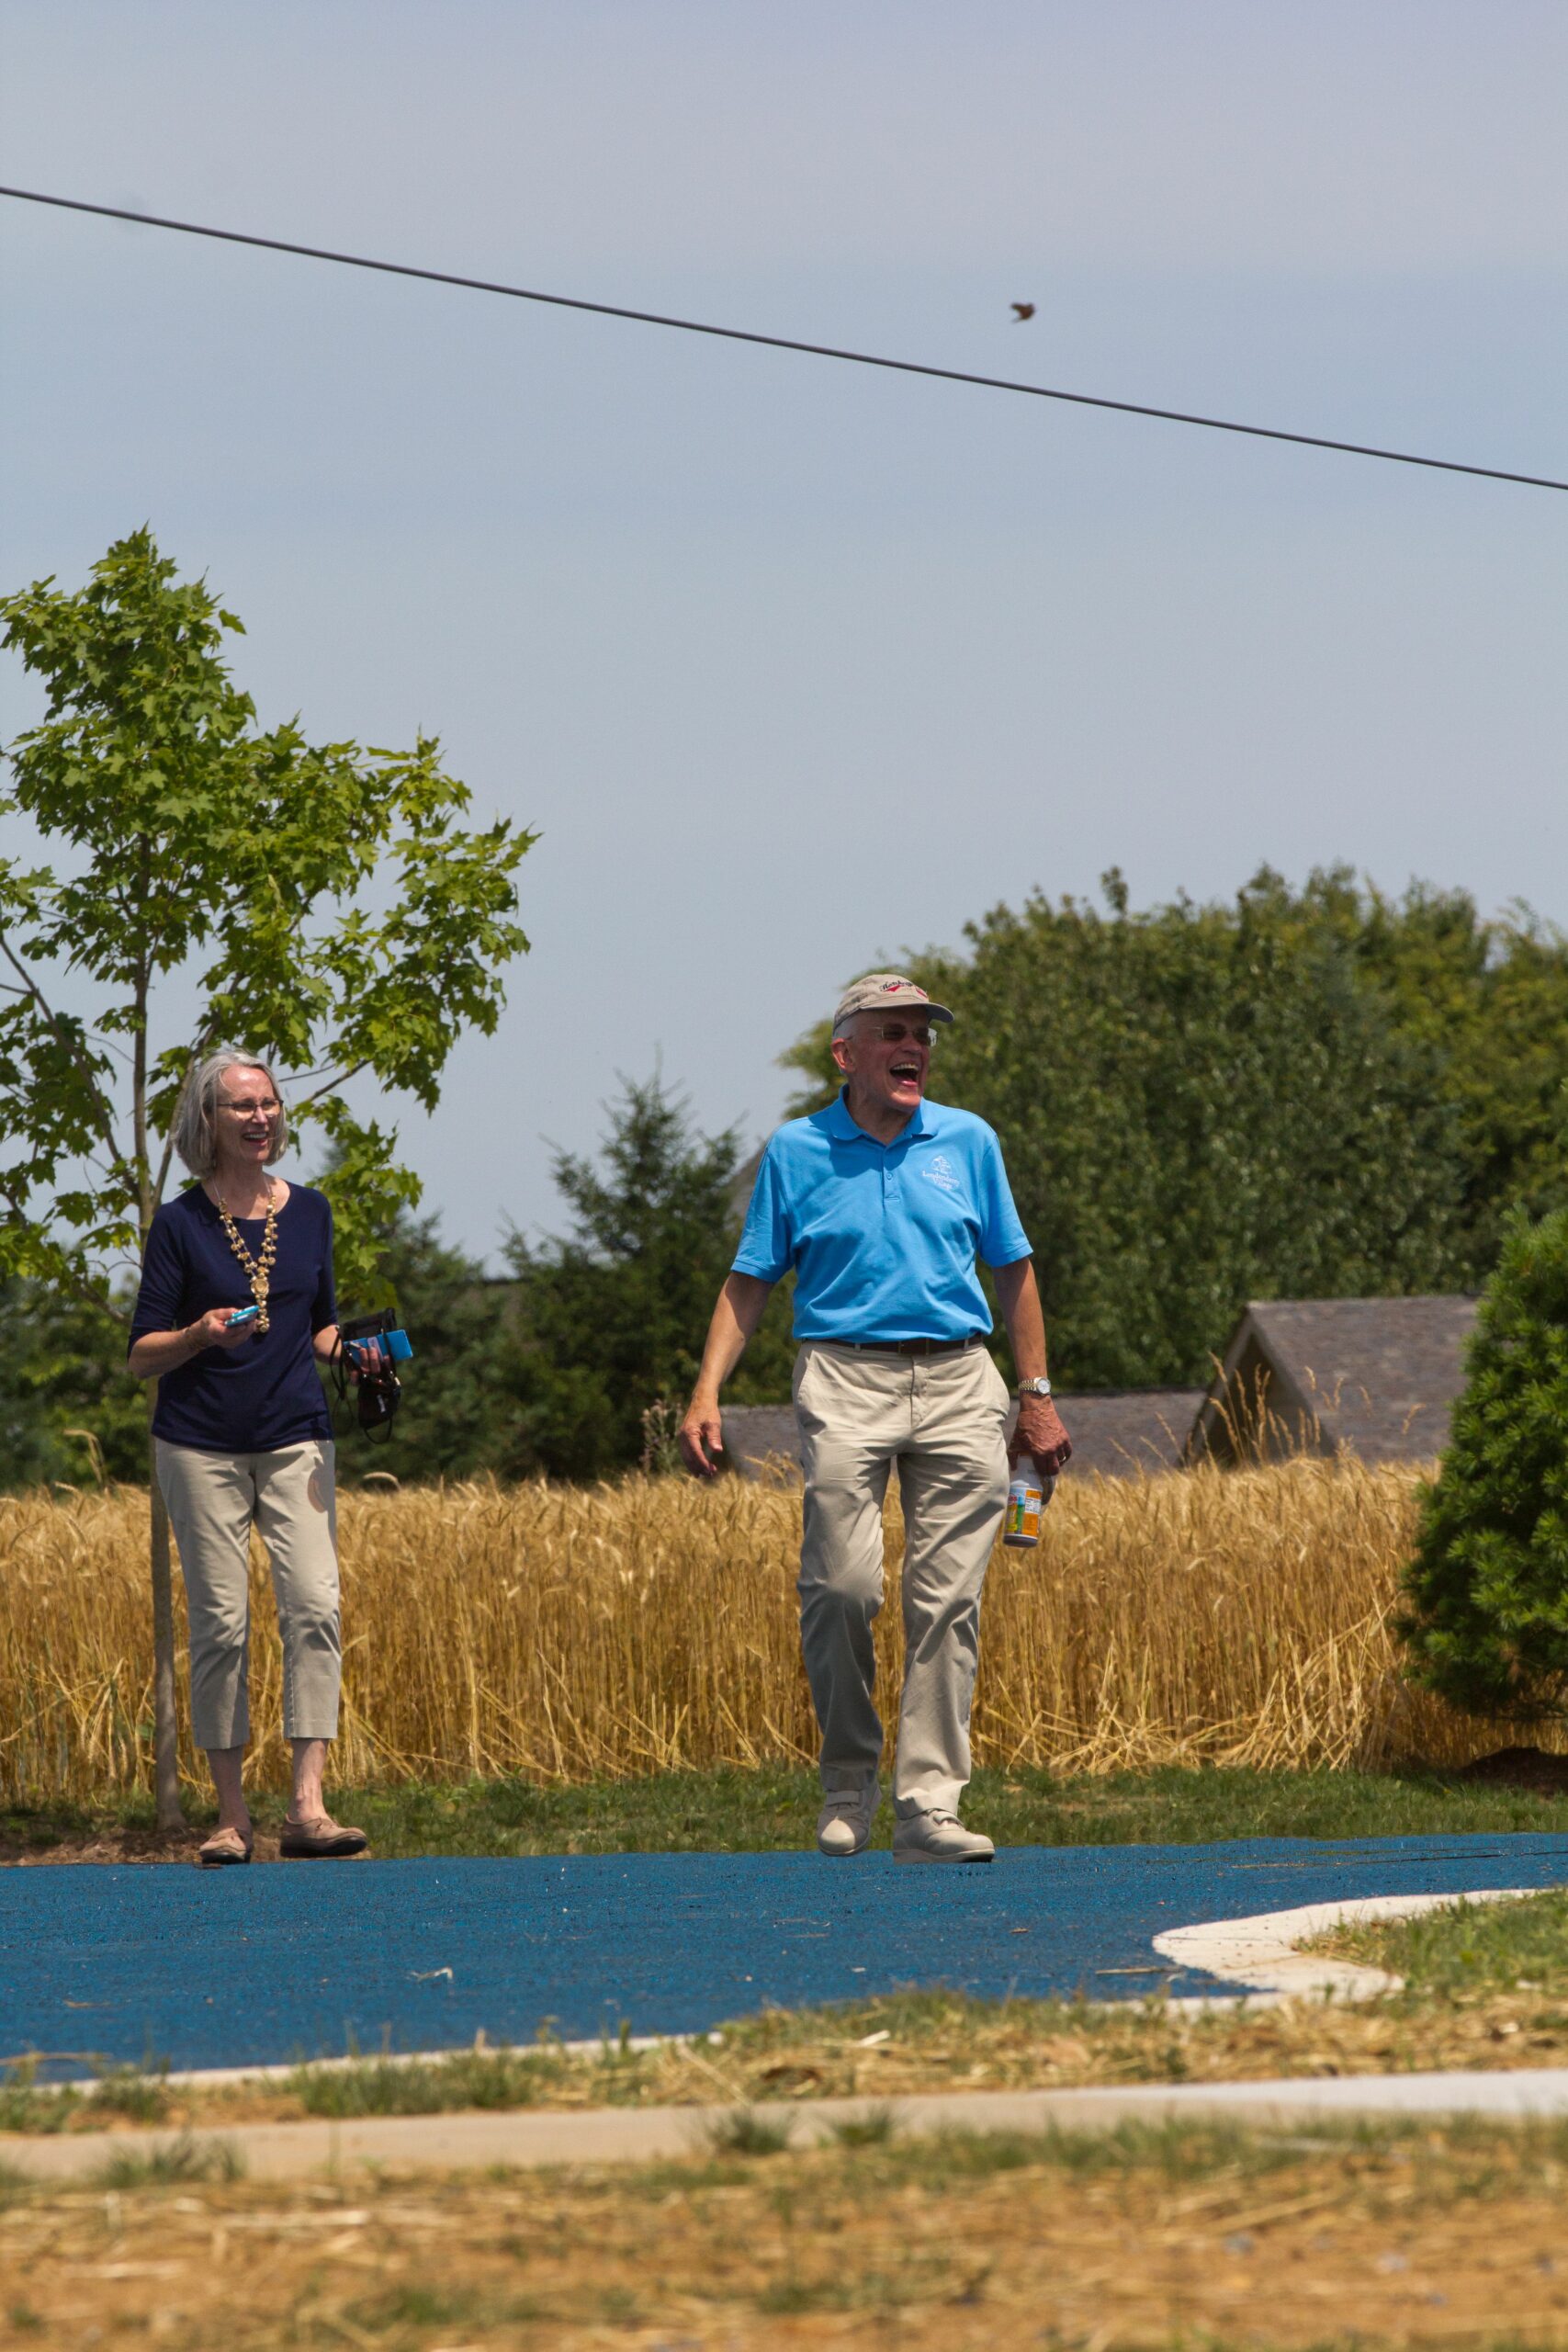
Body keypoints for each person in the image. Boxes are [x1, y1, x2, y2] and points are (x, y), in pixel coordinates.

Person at [680, 974, 1072, 1864]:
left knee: (947, 1603)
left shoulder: (969, 1140)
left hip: (960, 1379)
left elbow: (1013, 1270)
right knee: (843, 1587)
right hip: (843, 1377)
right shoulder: (796, 1150)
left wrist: (1035, 1395)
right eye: (894, 1032)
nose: (914, 1048)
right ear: (844, 1052)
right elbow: (749, 1282)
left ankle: (928, 1807)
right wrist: (705, 1393)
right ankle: (848, 1778)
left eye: (924, 1035)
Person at [129, 1048, 368, 1866]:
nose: (260, 1117)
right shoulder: (179, 1223)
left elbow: (320, 1324)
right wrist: (198, 1333)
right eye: (242, 1107)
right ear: (208, 1122)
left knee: (315, 1607)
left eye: (268, 1103)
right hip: (200, 1446)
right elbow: (140, 1355)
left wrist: (356, 1354)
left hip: (297, 1435)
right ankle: (232, 1818)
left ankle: (308, 1807)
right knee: (223, 1624)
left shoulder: (311, 1212)